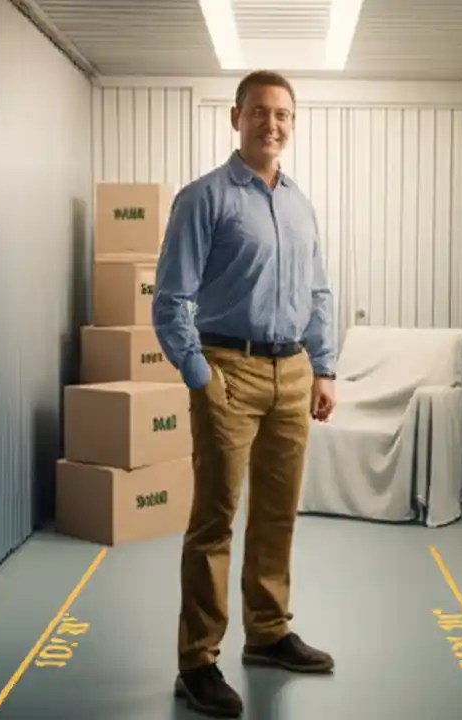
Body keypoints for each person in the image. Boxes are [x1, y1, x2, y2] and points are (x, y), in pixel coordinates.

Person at [151, 70, 338, 718]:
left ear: (293, 123)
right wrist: (200, 376)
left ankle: (268, 633)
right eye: (259, 112)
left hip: (292, 374)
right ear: (236, 118)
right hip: (228, 367)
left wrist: (324, 367)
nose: (272, 123)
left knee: (278, 513)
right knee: (214, 519)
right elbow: (171, 299)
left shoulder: (298, 202)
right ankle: (197, 661)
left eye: (282, 114)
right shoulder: (203, 198)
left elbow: (318, 292)